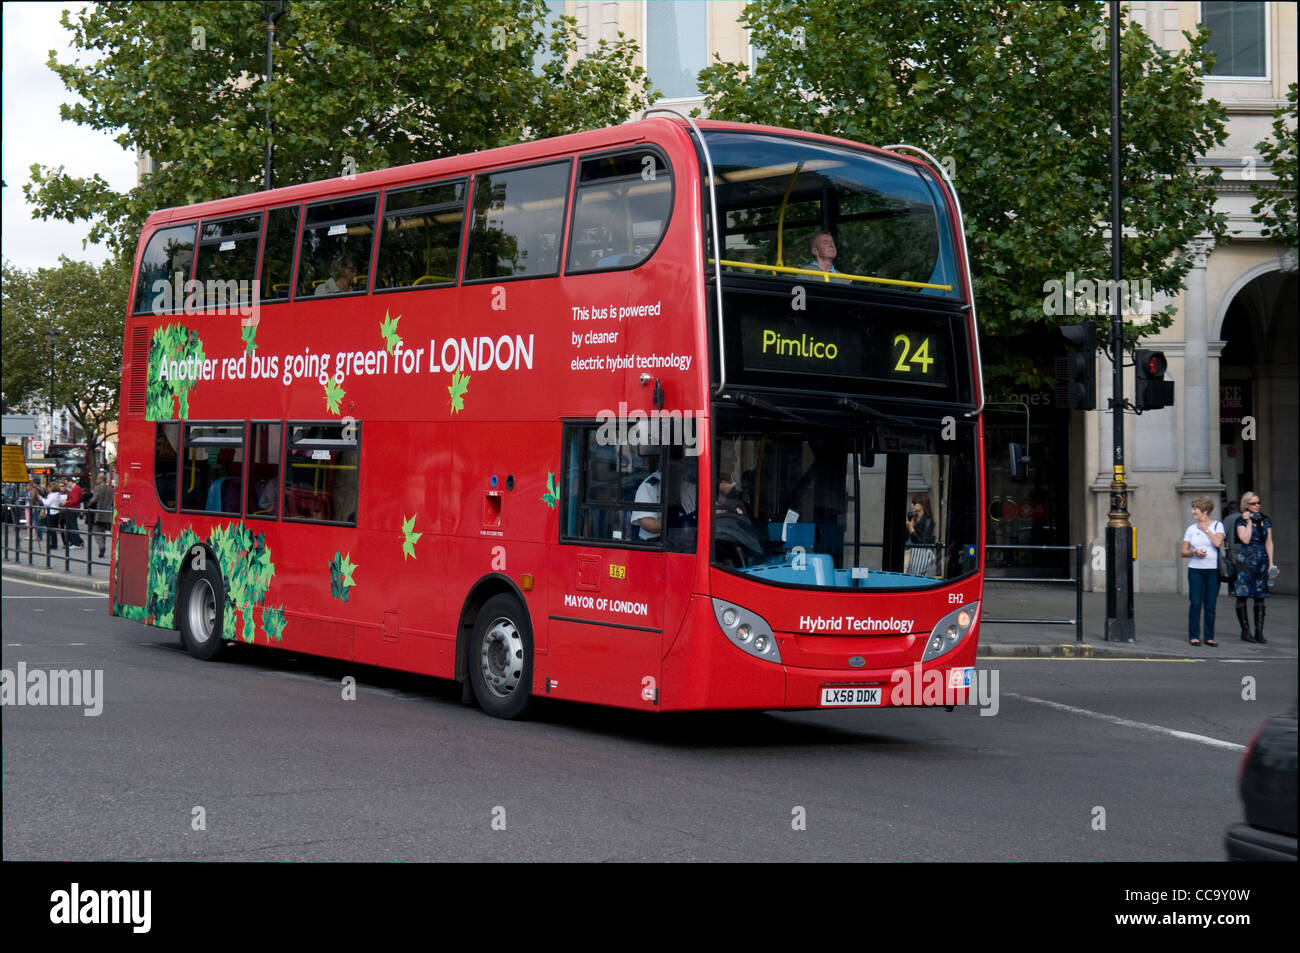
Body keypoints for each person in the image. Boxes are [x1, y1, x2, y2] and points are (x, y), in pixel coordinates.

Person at [1232, 490, 1275, 644]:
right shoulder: (1240, 521)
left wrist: (1271, 563)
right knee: (1242, 594)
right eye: (1253, 503)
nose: (1257, 505)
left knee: (1260, 597)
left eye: (1258, 503)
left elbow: (1269, 541)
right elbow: (1245, 539)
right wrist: (1249, 521)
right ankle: (1245, 631)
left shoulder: (1265, 519)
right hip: (1246, 560)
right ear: (1246, 505)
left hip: (1262, 560)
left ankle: (1259, 632)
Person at [1181, 496, 1224, 646]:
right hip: (1195, 570)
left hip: (1213, 571)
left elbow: (1218, 543)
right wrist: (1194, 552)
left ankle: (1209, 637)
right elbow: (1183, 551)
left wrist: (1206, 530)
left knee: (1210, 605)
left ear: (1205, 511)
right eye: (1193, 508)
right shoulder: (1191, 529)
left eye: (1196, 509)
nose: (1193, 512)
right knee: (1195, 603)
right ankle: (1194, 635)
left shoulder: (1218, 526)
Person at [631, 469, 697, 541]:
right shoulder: (649, 486)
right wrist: (677, 524)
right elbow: (648, 524)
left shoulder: (687, 484)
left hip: (686, 539)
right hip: (655, 542)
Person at [89, 474, 114, 558]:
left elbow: (94, 499)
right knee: (103, 531)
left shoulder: (98, 488)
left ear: (100, 479)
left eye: (97, 479)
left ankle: (101, 546)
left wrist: (89, 503)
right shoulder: (111, 489)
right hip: (107, 514)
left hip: (99, 514)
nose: (96, 481)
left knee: (96, 531)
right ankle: (103, 547)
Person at [64, 477, 85, 548]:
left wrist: (66, 502)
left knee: (73, 526)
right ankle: (76, 541)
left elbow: (75, 500)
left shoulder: (76, 489)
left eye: (66, 483)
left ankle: (76, 542)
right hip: (74, 508)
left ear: (70, 482)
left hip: (73, 508)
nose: (66, 485)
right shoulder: (76, 488)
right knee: (72, 525)